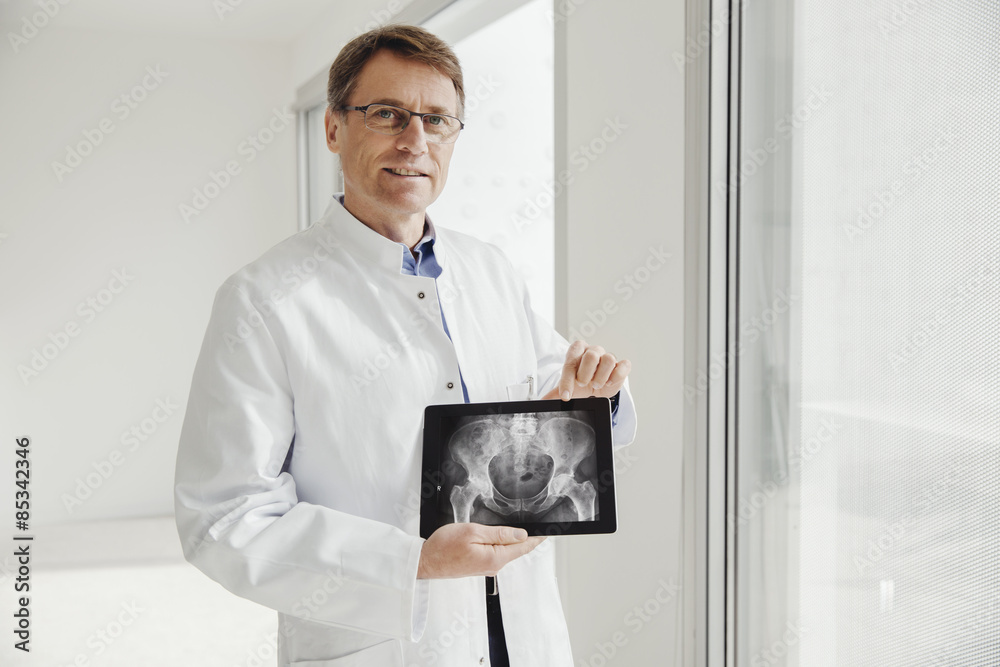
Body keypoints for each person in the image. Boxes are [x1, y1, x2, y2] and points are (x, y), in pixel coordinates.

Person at [174, 24, 637, 667]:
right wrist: (412, 563)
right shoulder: (263, 300)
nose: (414, 141)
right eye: (387, 113)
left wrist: (588, 400)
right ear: (333, 128)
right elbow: (224, 518)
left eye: (436, 120)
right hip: (383, 643)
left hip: (521, 635)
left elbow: (555, 389)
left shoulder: (491, 270)